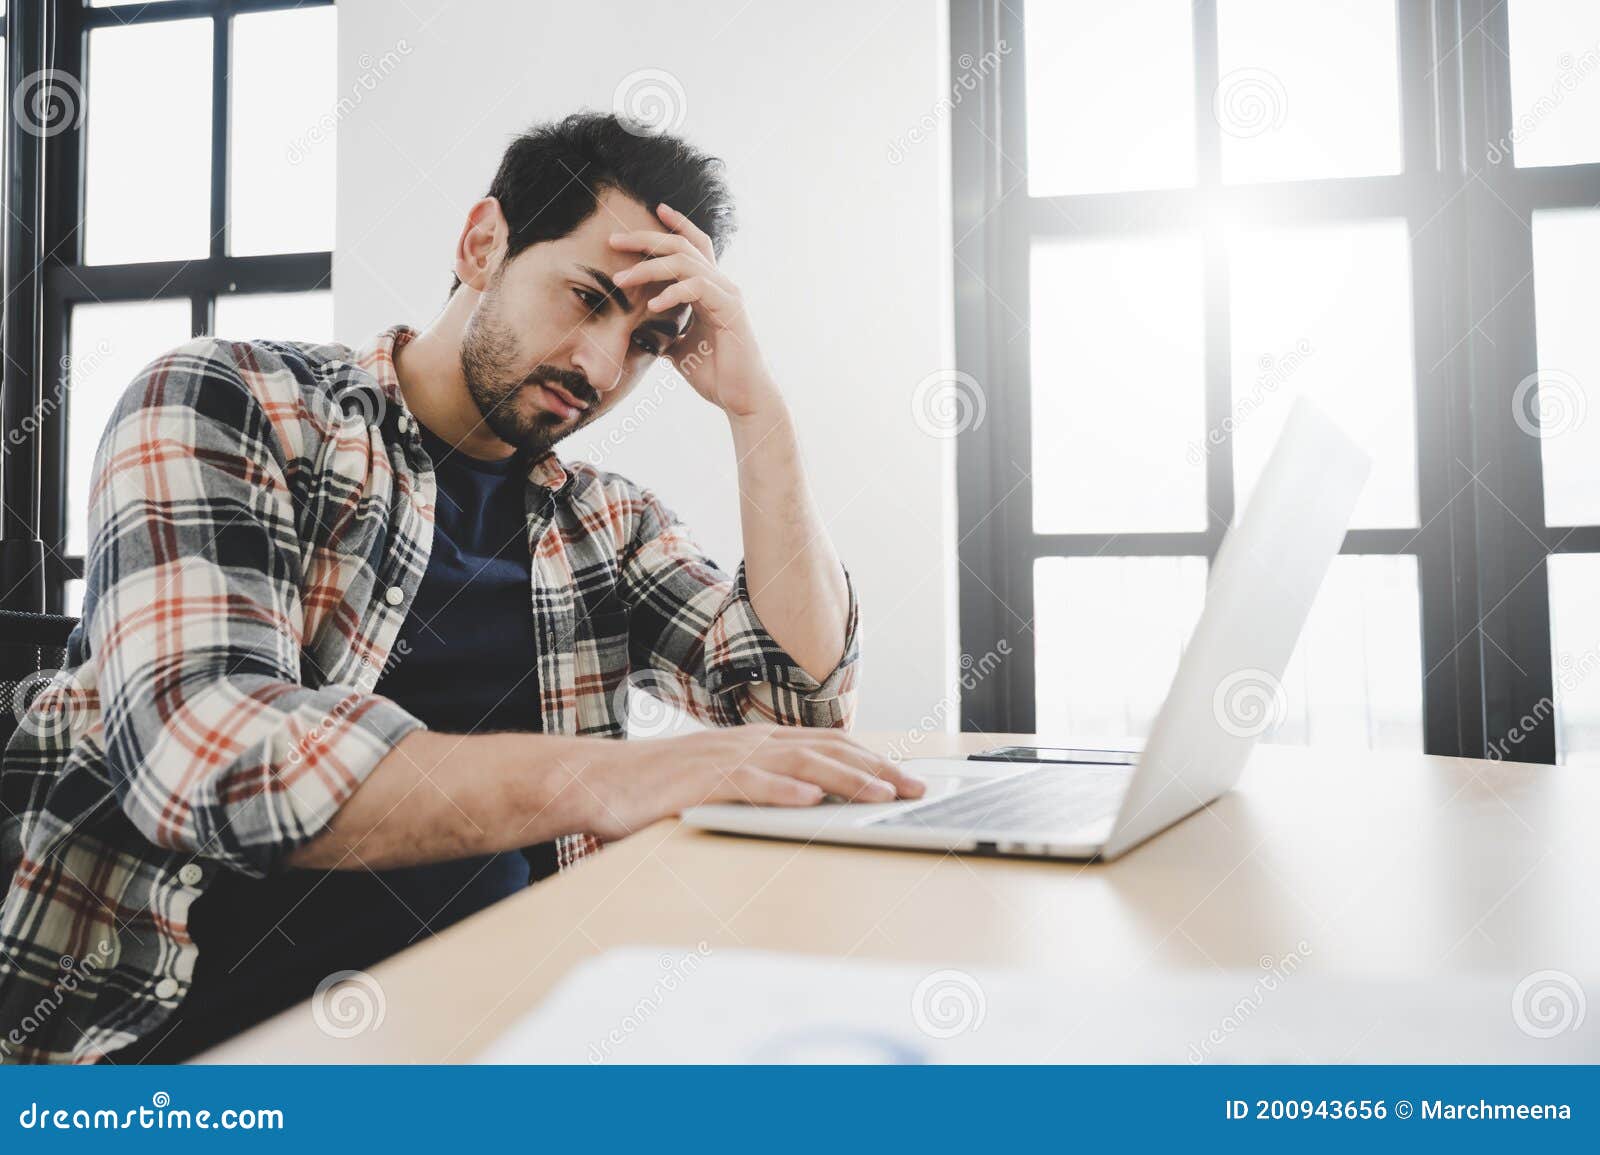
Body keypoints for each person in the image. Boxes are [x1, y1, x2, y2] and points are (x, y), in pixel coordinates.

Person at [0, 112, 922, 1064]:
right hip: (195, 1045)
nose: (602, 368)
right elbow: (210, 758)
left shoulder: (606, 522)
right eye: (586, 297)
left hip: (516, 1018)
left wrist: (756, 408)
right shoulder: (234, 402)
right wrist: (615, 780)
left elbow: (795, 706)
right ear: (484, 243)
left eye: (646, 340)